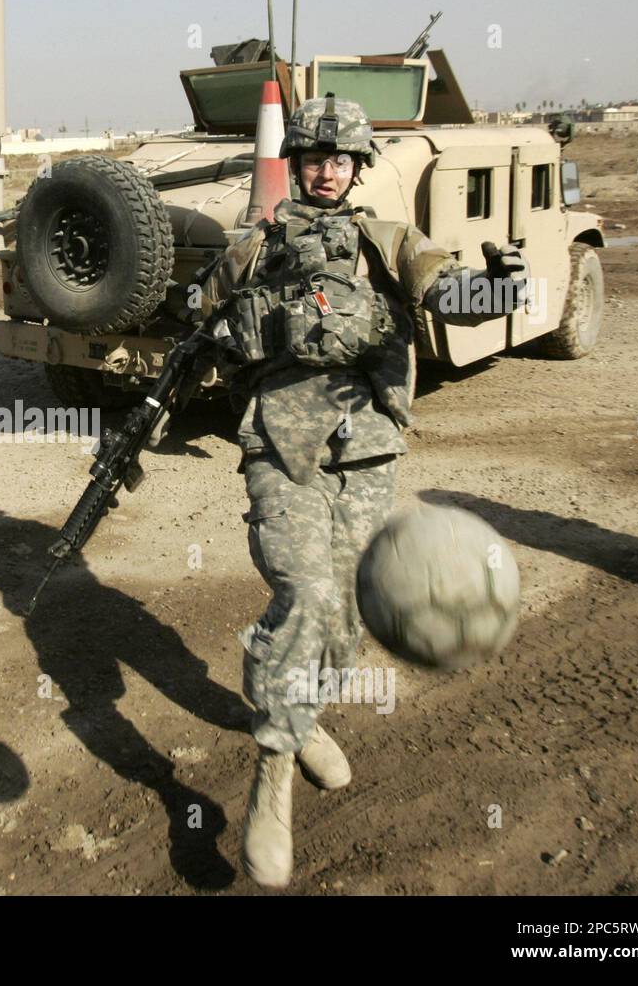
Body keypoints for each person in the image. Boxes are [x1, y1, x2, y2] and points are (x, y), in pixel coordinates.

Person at [202, 94, 528, 888]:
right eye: (314, 156)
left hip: (367, 450)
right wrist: (241, 327)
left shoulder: (389, 243)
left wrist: (498, 287)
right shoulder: (254, 249)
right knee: (308, 592)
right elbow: (199, 324)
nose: (326, 170)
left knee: (350, 608)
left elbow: (447, 290)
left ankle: (300, 709)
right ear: (297, 162)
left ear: (356, 168)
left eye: (340, 158)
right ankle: (274, 769)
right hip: (281, 446)